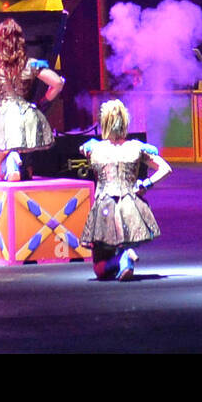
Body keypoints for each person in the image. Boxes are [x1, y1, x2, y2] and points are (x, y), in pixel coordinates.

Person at [80, 99, 171, 280]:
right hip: (130, 205)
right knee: (121, 242)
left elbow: (86, 153)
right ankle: (124, 257)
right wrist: (146, 184)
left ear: (104, 122)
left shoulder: (93, 148)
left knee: (99, 269)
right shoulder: (136, 147)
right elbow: (166, 168)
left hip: (105, 206)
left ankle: (122, 257)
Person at [0, 18, 65, 180]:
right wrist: (44, 100)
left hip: (4, 117)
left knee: (2, 171)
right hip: (26, 116)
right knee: (27, 169)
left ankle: (12, 160)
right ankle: (19, 162)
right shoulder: (30, 65)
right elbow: (57, 83)